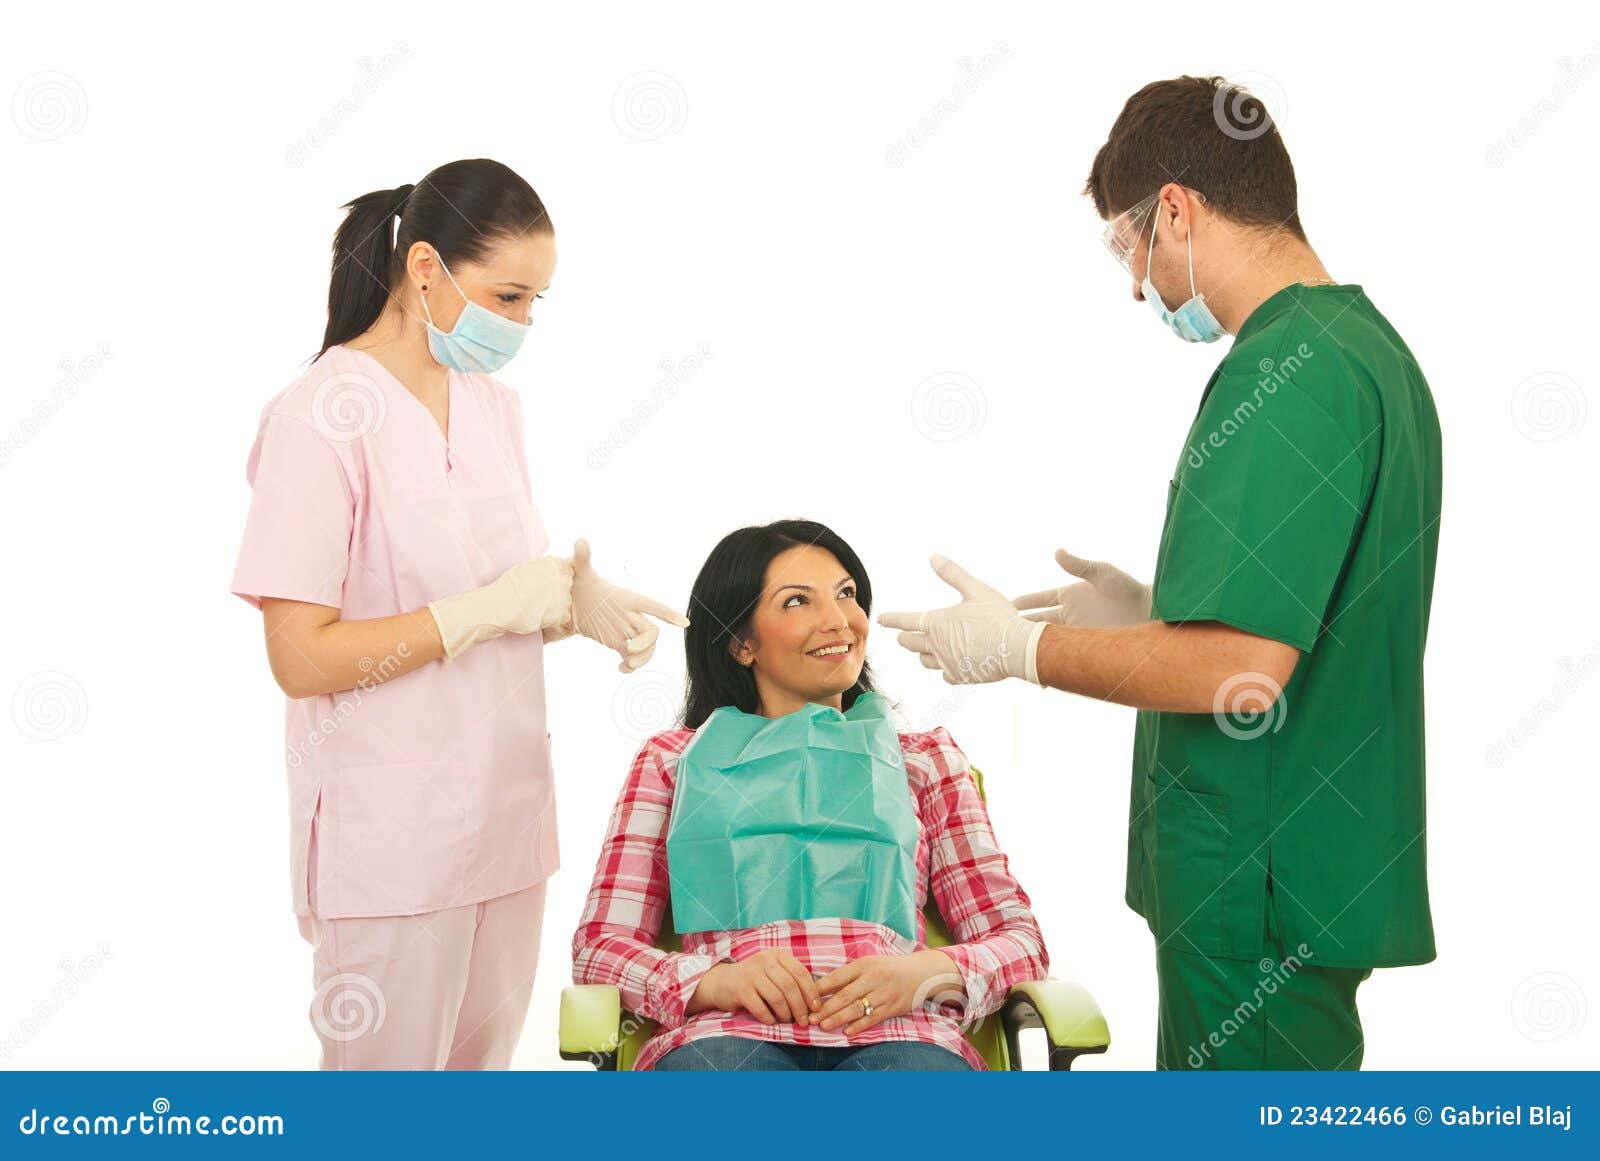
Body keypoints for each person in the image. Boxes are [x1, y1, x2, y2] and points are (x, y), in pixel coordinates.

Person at [880, 77, 1441, 1070]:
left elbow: (1237, 669)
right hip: (1294, 870)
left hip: (1254, 889)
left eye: (1127, 246)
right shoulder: (1356, 351)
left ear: (1175, 208)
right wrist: (1153, 612)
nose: (1136, 284)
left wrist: (1026, 651)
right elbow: (1308, 617)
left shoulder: (1289, 377)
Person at [230, 158, 687, 1069]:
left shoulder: (492, 406)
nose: (520, 323)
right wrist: (478, 611)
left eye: (535, 303)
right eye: (508, 295)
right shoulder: (321, 416)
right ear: (426, 268)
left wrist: (565, 602)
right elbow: (301, 657)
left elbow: (498, 585)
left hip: (508, 823)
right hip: (392, 841)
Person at [571, 520, 1048, 1070]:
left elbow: (1018, 940)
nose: (838, 620)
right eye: (797, 601)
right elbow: (600, 947)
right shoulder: (673, 763)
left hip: (902, 1033)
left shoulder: (923, 759)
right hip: (726, 1035)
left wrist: (924, 973)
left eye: (846, 594)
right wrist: (715, 982)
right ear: (741, 643)